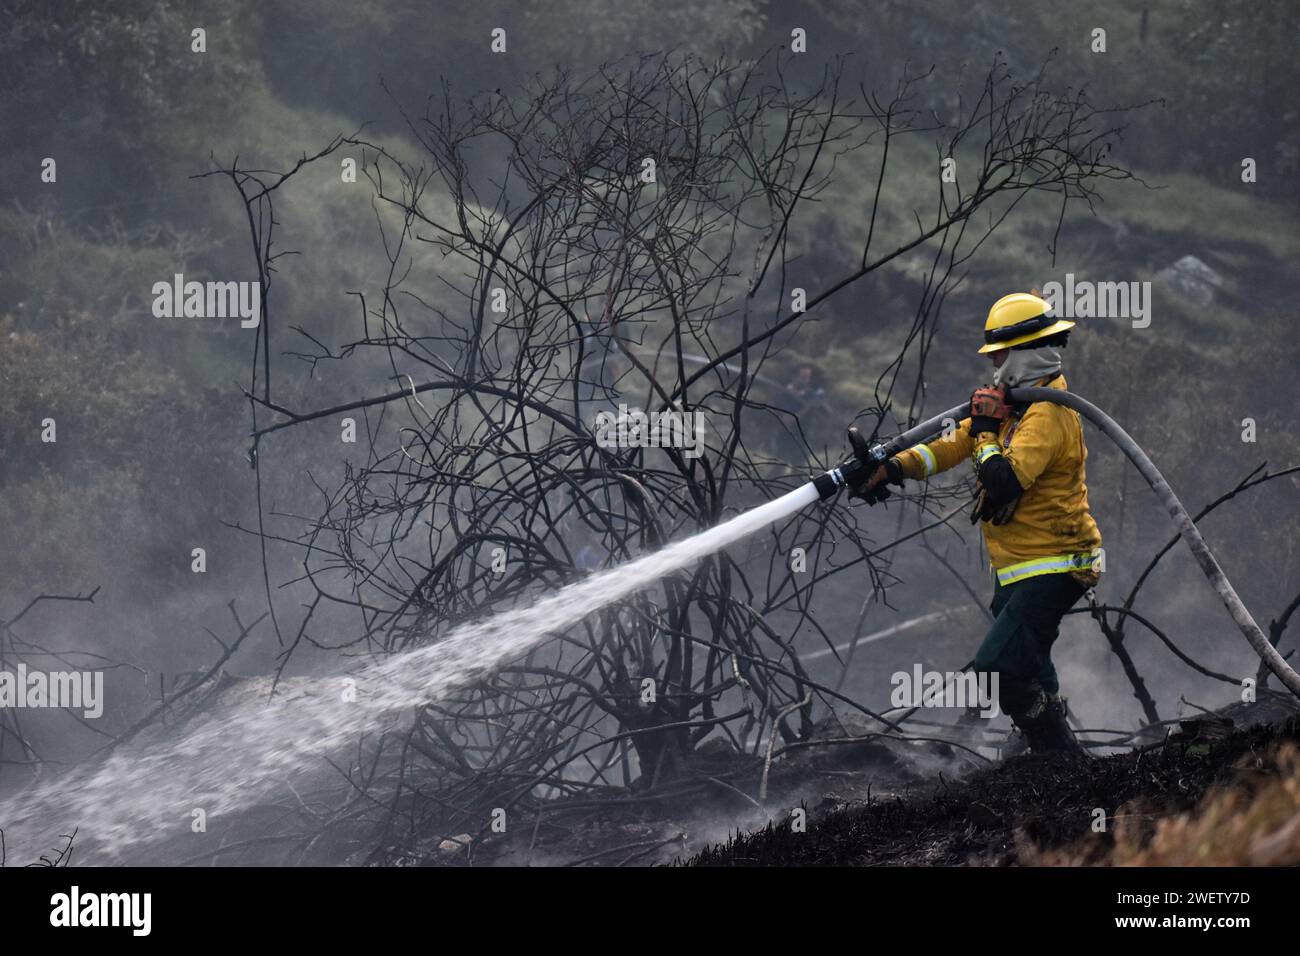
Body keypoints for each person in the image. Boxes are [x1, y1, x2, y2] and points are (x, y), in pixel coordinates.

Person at [851, 292, 1102, 756]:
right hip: (1021, 567)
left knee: (998, 664)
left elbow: (1004, 481)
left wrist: (986, 433)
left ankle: (1053, 755)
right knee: (1029, 662)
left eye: (1000, 354)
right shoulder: (1013, 406)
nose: (995, 365)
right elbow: (949, 445)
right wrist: (891, 468)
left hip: (1058, 563)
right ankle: (1051, 751)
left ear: (1024, 351)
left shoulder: (1048, 414)